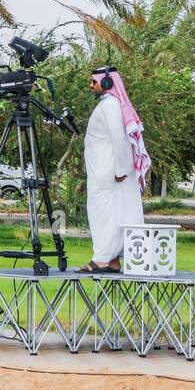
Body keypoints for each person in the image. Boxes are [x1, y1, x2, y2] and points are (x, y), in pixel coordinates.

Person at [81, 66, 149, 273]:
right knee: (114, 213)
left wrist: (120, 170)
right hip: (105, 170)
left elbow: (119, 139)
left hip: (108, 171)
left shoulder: (110, 105)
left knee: (102, 212)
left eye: (94, 81)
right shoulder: (108, 104)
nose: (91, 85)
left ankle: (102, 258)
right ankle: (112, 260)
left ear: (108, 83)